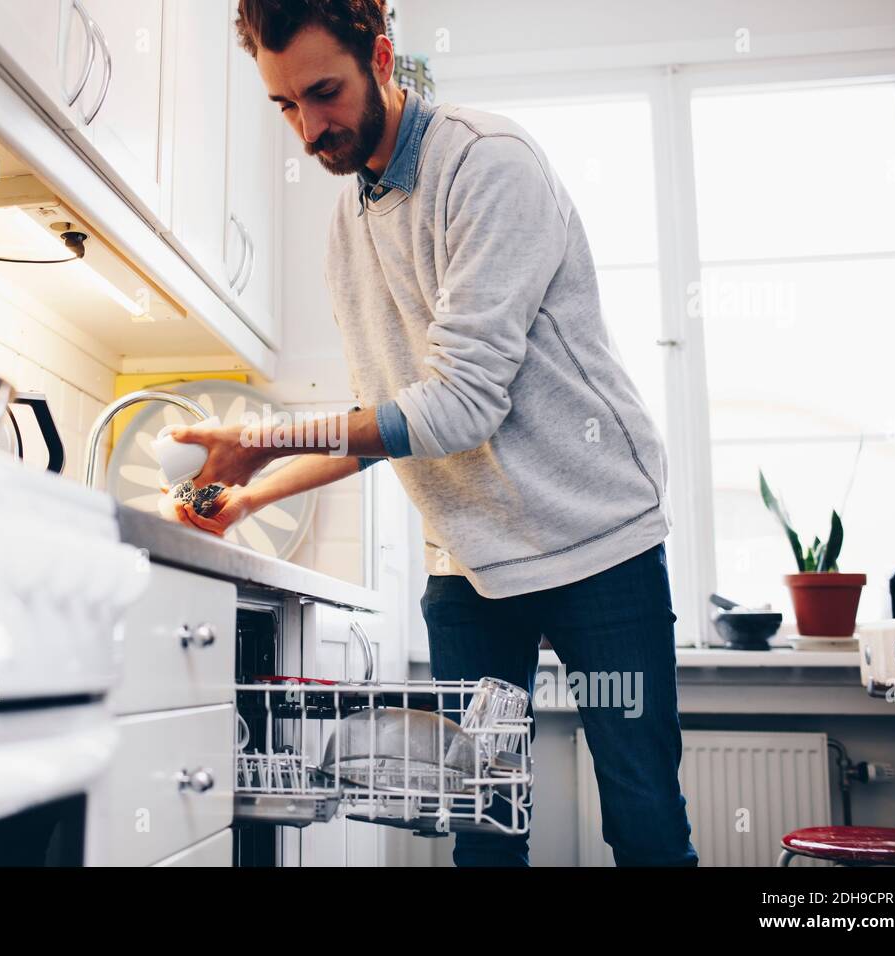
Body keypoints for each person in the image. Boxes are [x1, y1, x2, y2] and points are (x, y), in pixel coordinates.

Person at [167, 0, 697, 867]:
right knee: (481, 831)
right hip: (468, 562)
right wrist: (250, 494)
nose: (309, 128)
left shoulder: (488, 166)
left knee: (642, 819)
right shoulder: (349, 223)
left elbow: (461, 406)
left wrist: (264, 439)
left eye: (324, 93)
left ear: (380, 56)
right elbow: (387, 417)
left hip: (599, 544)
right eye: (285, 107)